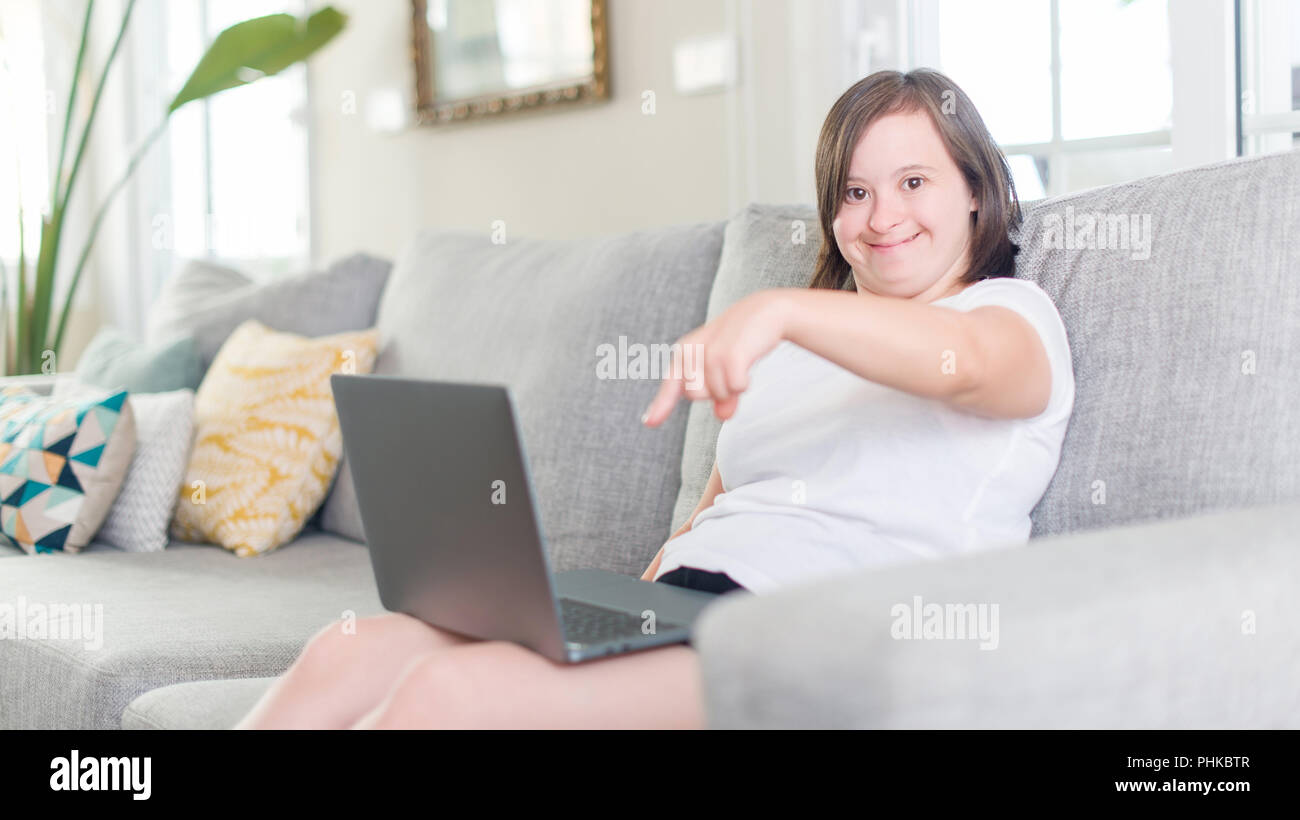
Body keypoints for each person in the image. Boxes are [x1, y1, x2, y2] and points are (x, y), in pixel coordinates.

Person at [235, 68, 1074, 730]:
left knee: (452, 697)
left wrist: (777, 306)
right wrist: (618, 604)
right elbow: (716, 512)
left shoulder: (1006, 317)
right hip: (679, 612)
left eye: (913, 182)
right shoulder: (799, 346)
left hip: (823, 636)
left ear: (974, 188)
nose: (881, 215)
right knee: (343, 655)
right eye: (854, 192)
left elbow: (962, 364)